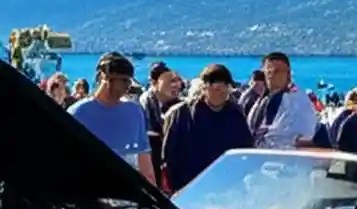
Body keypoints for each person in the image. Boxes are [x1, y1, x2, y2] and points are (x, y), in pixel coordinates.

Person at [161, 64, 254, 193]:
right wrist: (178, 185)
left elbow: (246, 149)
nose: (222, 93)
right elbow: (171, 153)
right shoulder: (183, 114)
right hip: (191, 185)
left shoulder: (235, 114)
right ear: (204, 88)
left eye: (226, 88)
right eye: (217, 89)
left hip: (228, 187)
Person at [68, 52, 156, 184]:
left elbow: (143, 156)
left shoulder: (134, 111)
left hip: (125, 192)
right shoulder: (78, 113)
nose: (128, 86)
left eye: (129, 81)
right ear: (105, 78)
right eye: (124, 80)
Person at [246, 52, 318, 149]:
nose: (272, 76)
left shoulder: (298, 101)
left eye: (277, 71)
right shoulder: (260, 101)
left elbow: (303, 137)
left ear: (288, 74)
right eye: (268, 72)